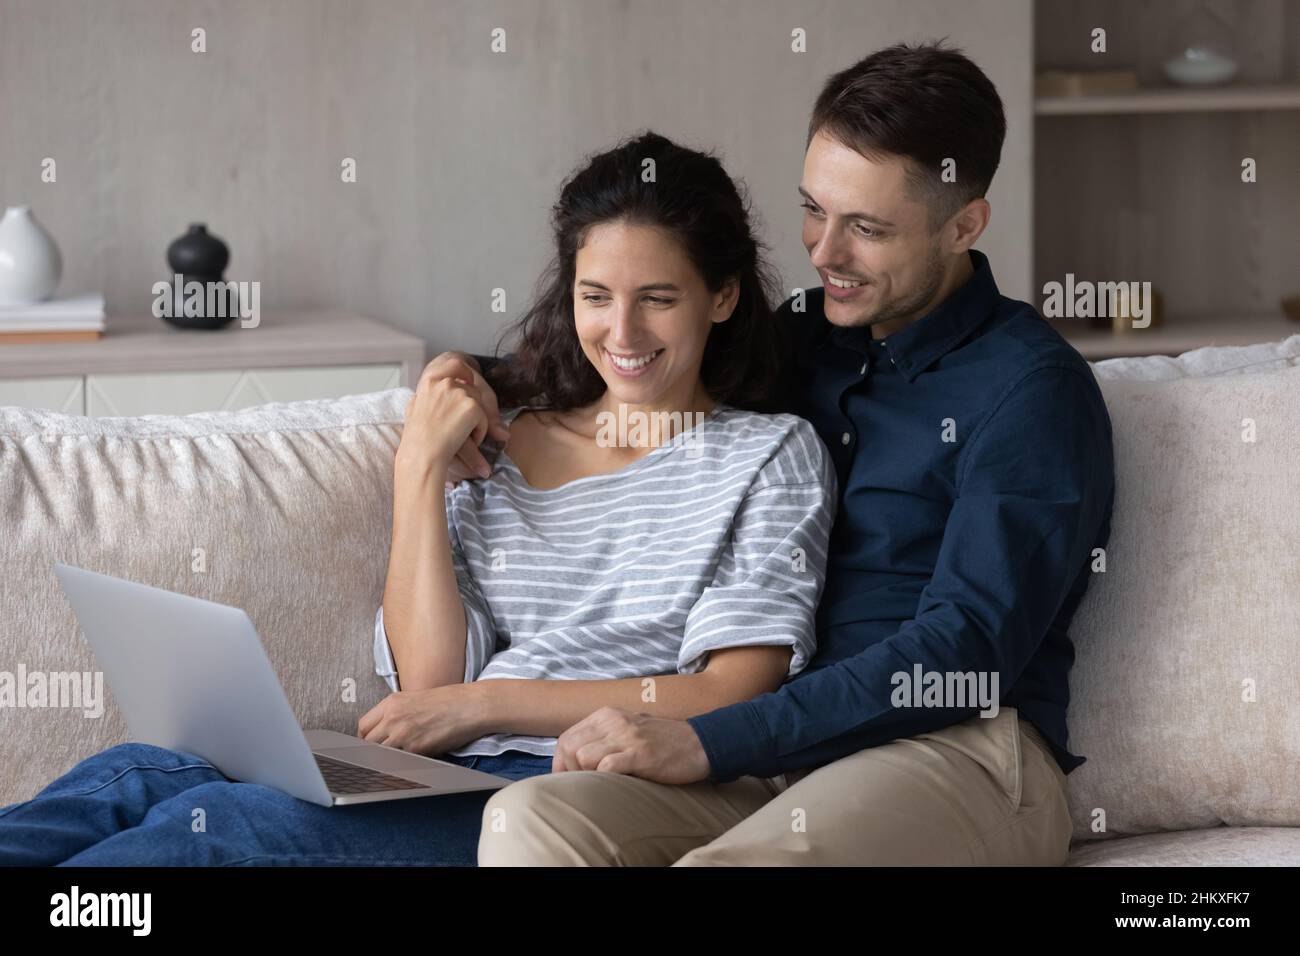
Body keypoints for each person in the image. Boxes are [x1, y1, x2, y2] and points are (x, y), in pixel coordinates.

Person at [0, 131, 836, 866]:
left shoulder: (767, 456)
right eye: (595, 296)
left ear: (722, 297)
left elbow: (739, 693)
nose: (622, 333)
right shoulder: (502, 440)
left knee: (219, 825)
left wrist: (482, 706)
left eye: (658, 298)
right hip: (443, 769)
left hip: (567, 790)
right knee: (142, 772)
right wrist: (418, 469)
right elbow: (430, 677)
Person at [448, 42, 1116, 866]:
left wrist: (713, 740)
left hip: (955, 752)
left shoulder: (1033, 390)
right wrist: (466, 378)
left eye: (866, 229)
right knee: (533, 821)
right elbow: (635, 345)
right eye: (814, 210)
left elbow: (967, 650)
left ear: (964, 224)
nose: (824, 252)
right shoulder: (807, 331)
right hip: (774, 758)